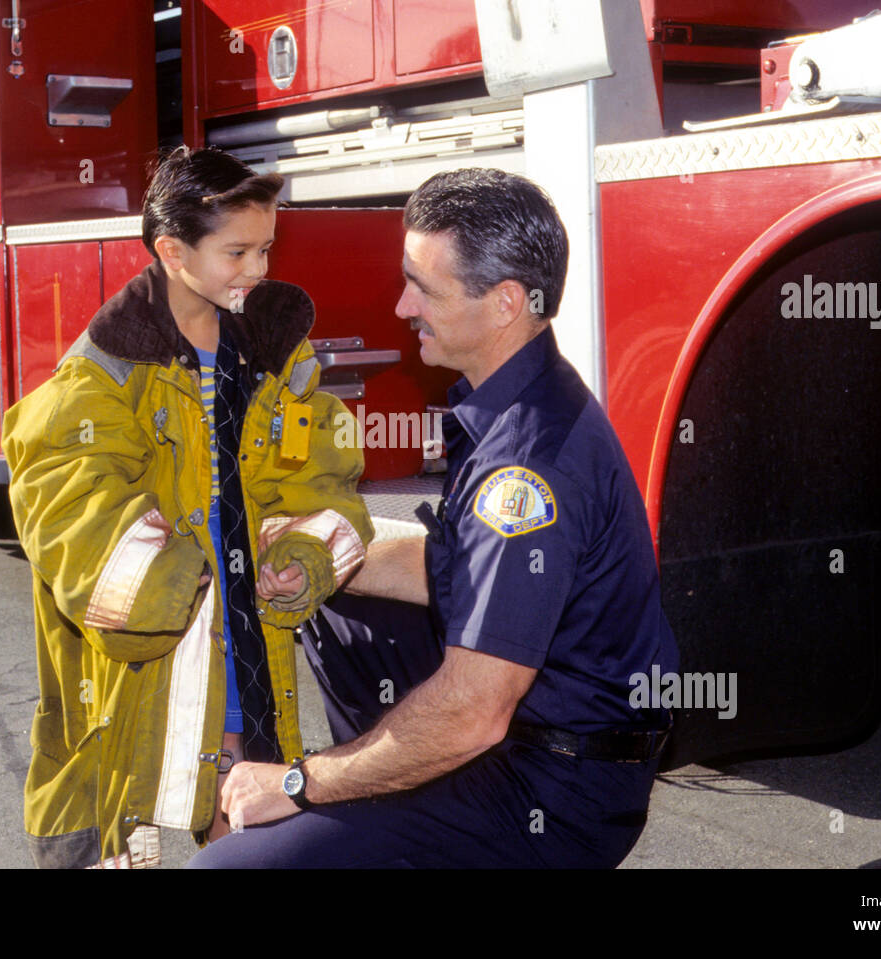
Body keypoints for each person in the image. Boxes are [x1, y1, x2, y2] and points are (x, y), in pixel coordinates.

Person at [187, 168, 680, 868]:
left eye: (424, 286)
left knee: (224, 870)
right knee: (333, 586)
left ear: (506, 301)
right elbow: (450, 565)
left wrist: (300, 784)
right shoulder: (517, 399)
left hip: (553, 791)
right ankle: (375, 805)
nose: (400, 305)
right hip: (536, 737)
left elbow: (474, 713)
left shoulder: (525, 469)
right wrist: (314, 548)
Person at [1, 146, 373, 868]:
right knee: (125, 834)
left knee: (244, 814)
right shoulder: (103, 373)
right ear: (172, 250)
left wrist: (301, 558)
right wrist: (183, 576)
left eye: (266, 248)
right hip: (134, 669)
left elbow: (324, 481)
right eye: (237, 251)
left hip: (245, 653)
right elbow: (65, 498)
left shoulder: (279, 360)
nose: (259, 271)